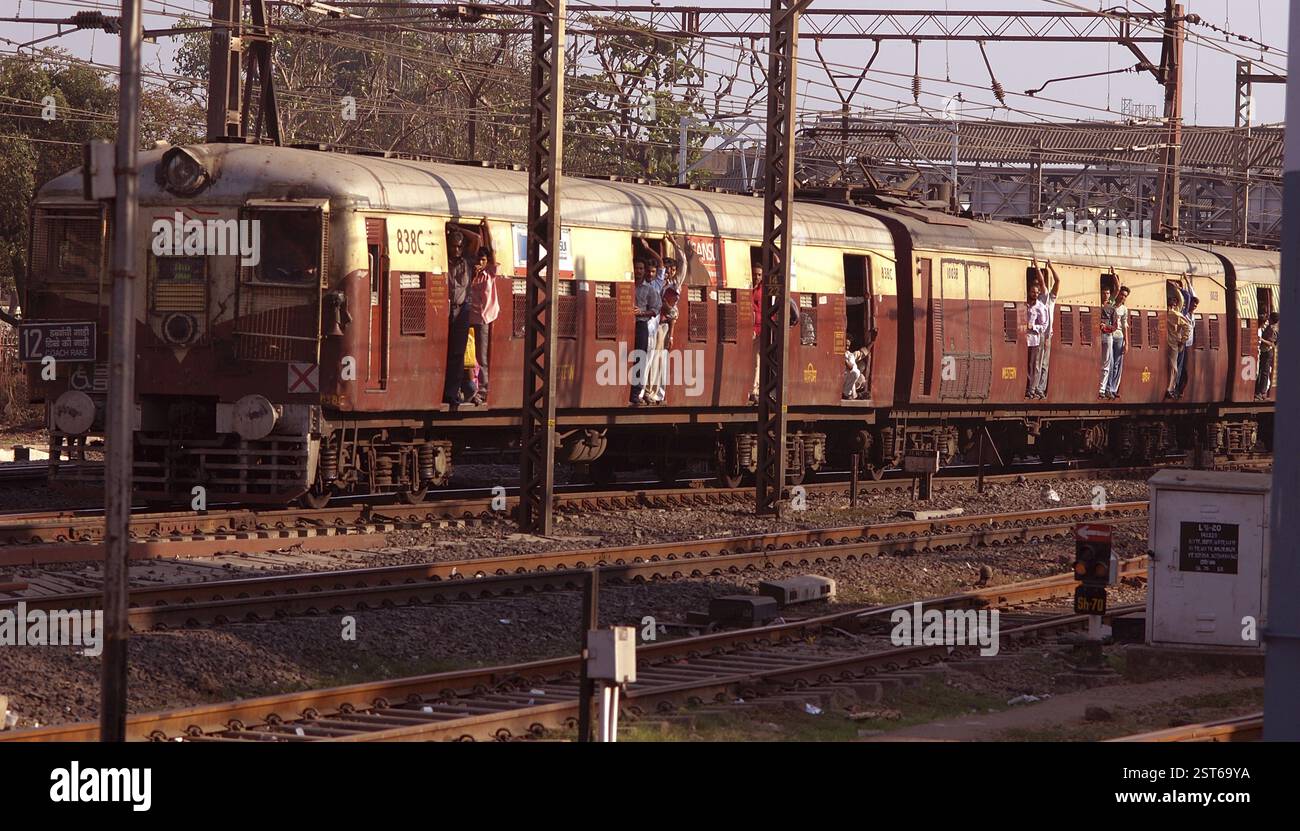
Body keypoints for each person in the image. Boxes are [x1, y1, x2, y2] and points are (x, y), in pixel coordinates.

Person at [443, 222, 485, 407]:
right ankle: (447, 390)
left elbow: (476, 239)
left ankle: (452, 393)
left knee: (458, 353)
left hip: (462, 307)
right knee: (445, 351)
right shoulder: (444, 260)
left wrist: (458, 229)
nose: (457, 249)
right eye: (454, 245)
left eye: (460, 246)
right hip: (446, 308)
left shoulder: (467, 260)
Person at [630, 239, 665, 406]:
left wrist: (642, 312)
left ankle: (636, 393)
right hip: (627, 325)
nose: (638, 271)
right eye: (636, 268)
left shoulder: (649, 288)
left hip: (642, 324)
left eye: (641, 269)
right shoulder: (628, 285)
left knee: (640, 358)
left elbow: (657, 308)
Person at [467, 243, 499, 404]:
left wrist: (486, 226)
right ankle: (469, 388)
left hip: (484, 318)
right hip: (469, 318)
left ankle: (483, 390)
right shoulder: (472, 274)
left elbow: (494, 254)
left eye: (483, 259)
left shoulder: (490, 273)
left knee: (482, 355)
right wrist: (473, 274)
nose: (481, 262)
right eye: (478, 259)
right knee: (468, 355)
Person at [1030, 257, 1060, 397]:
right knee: (1037, 362)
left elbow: (1058, 280)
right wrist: (1037, 267)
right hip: (1040, 333)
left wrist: (1050, 267)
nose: (1042, 287)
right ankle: (1035, 387)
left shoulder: (1051, 297)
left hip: (1048, 334)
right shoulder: (1040, 299)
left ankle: (1040, 388)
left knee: (1044, 364)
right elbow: (1042, 281)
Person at [645, 285, 679, 404]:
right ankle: (649, 392)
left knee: (659, 363)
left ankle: (655, 393)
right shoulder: (662, 290)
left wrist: (670, 336)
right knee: (653, 361)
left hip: (664, 329)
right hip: (658, 327)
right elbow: (671, 313)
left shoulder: (671, 290)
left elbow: (674, 314)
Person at [1024, 278, 1049, 398]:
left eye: (1037, 292)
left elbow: (1044, 326)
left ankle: (1031, 388)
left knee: (1034, 364)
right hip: (1025, 339)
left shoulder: (1040, 307)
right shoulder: (1026, 304)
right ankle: (1027, 386)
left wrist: (1032, 326)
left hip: (1035, 339)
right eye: (1033, 292)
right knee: (1026, 363)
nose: (1035, 294)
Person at [1165, 291, 1193, 400]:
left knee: (1173, 367)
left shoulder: (1170, 314)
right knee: (1174, 368)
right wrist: (1183, 340)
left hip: (1170, 342)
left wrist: (1182, 340)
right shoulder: (1175, 314)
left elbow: (1187, 326)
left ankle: (1170, 388)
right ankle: (1170, 389)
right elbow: (1188, 326)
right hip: (1172, 343)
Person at [1106, 286, 1130, 399]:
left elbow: (1125, 325)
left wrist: (1127, 342)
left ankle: (1113, 389)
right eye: (1122, 294)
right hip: (1110, 335)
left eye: (1125, 296)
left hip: (1119, 337)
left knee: (1117, 364)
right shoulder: (1111, 306)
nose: (1123, 297)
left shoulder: (1124, 309)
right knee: (1110, 363)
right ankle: (1107, 388)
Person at [1176, 295, 1200, 397]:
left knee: (1185, 367)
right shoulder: (1184, 315)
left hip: (1188, 344)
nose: (1194, 306)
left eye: (1196, 305)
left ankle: (1181, 388)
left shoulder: (1192, 316)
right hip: (1182, 343)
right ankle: (1176, 387)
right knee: (1179, 366)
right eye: (1193, 304)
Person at [1097, 285, 1117, 398]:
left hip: (1107, 335)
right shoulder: (1096, 306)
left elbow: (1115, 326)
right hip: (1097, 336)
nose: (1106, 295)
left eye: (1108, 293)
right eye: (1104, 293)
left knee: (1106, 363)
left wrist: (1106, 326)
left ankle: (1102, 389)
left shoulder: (1112, 308)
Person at [1256, 312, 1279, 399]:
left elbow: (1271, 344)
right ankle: (1260, 391)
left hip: (1267, 352)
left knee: (1265, 372)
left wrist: (1261, 339)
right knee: (1262, 371)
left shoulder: (1273, 329)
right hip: (1264, 351)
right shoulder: (1269, 327)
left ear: (1272, 319)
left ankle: (1262, 392)